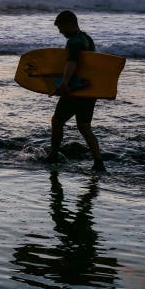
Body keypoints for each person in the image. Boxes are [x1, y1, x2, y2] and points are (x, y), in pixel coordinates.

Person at [47, 10, 105, 171]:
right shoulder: (87, 38)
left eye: (60, 27)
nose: (60, 31)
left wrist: (64, 83)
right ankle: (98, 162)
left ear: (69, 23)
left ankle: (53, 156)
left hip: (76, 90)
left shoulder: (73, 42)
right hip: (89, 91)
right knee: (84, 127)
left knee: (57, 121)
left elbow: (71, 63)